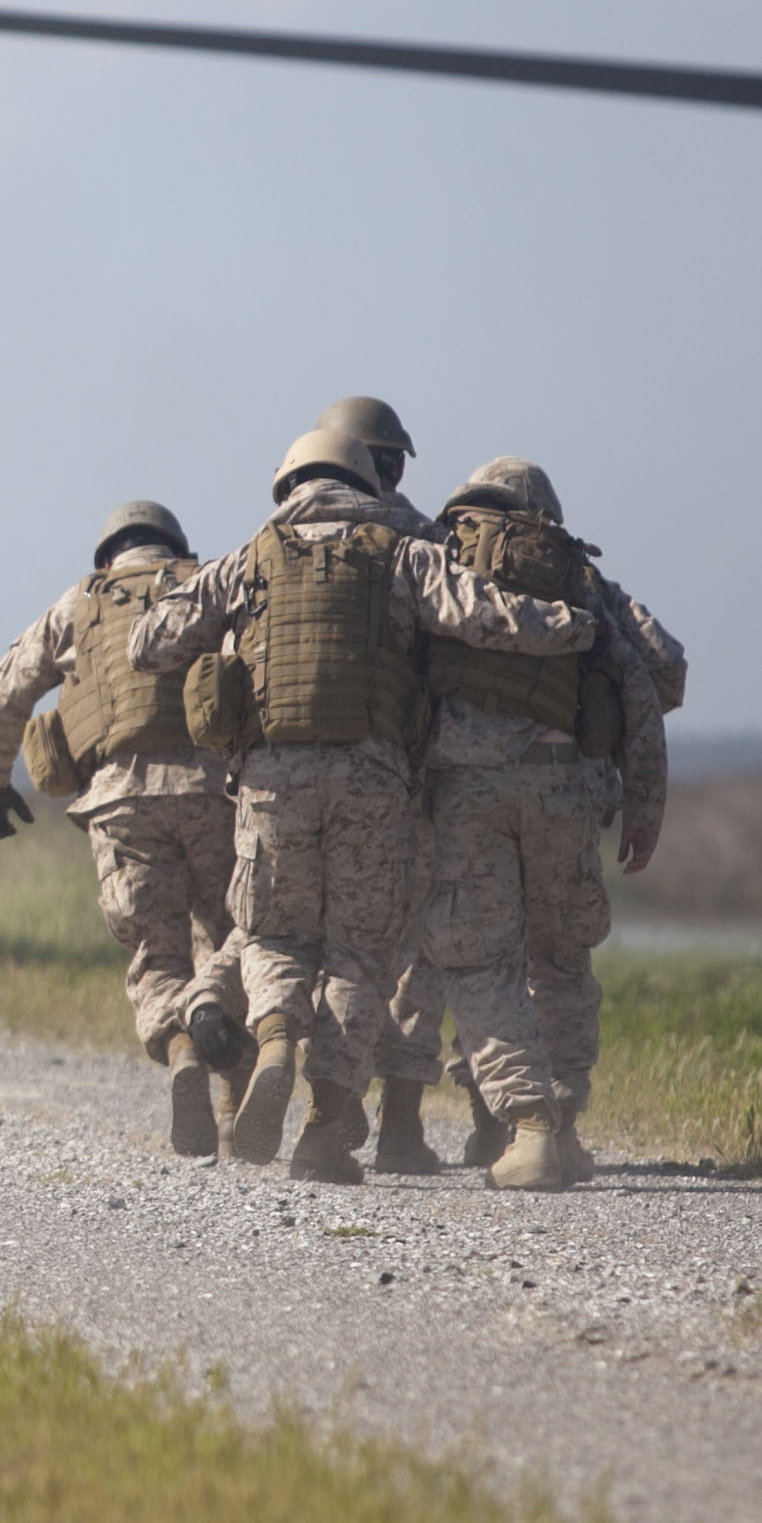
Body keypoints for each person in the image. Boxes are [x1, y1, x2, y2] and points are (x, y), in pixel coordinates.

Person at [128, 428, 596, 1181]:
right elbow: (478, 612)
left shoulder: (251, 553)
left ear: (290, 482)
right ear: (364, 478)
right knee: (359, 955)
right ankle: (324, 1125)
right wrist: (571, 628)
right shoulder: (400, 548)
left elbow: (149, 644)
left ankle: (276, 1031)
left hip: (269, 779)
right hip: (373, 776)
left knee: (272, 934)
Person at [406, 458, 685, 1182]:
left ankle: (525, 1125)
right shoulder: (580, 581)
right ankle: (561, 1125)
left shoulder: (437, 559)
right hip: (565, 788)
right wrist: (644, 804)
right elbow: (660, 670)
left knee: (480, 960)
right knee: (560, 963)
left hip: (464, 791)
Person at [0, 499, 249, 1157]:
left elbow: (4, 694)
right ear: (175, 548)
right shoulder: (210, 585)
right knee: (229, 940)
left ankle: (178, 1052)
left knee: (156, 955)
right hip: (215, 794)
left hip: (119, 804)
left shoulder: (76, 605)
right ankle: (234, 1101)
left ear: (105, 558)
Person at [311, 396, 458, 1171]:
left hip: (304, 780)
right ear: (390, 463)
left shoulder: (288, 539)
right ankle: (399, 1126)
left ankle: (327, 1114)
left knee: (324, 950)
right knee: (410, 958)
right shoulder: (425, 542)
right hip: (412, 774)